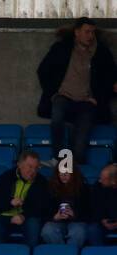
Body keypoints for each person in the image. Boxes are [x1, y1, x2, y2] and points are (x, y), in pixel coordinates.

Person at [37, 17, 117, 168]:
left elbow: (111, 79)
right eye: (87, 32)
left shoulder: (101, 52)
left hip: (86, 101)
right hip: (63, 96)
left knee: (81, 137)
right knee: (57, 119)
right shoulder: (61, 48)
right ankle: (57, 158)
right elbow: (43, 71)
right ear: (77, 32)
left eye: (92, 32)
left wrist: (97, 98)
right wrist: (52, 93)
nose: (90, 36)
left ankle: (76, 167)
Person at [0, 151, 51, 247]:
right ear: (19, 165)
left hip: (27, 217)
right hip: (4, 216)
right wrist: (10, 202)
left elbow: (42, 207)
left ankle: (30, 254)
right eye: (30, 167)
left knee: (33, 225)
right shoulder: (6, 177)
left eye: (36, 168)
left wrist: (23, 216)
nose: (33, 171)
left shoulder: (41, 182)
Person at [42, 168, 93, 248]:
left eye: (67, 173)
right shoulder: (50, 188)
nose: (64, 176)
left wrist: (74, 215)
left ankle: (71, 253)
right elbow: (44, 210)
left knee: (78, 232)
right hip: (57, 222)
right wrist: (55, 217)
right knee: (48, 231)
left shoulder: (83, 189)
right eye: (61, 173)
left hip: (77, 221)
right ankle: (62, 253)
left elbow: (89, 212)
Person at [90, 163, 117, 244]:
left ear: (113, 181)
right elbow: (94, 207)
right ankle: (97, 251)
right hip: (103, 222)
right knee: (92, 229)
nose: (100, 180)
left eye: (103, 179)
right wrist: (102, 220)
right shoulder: (98, 187)